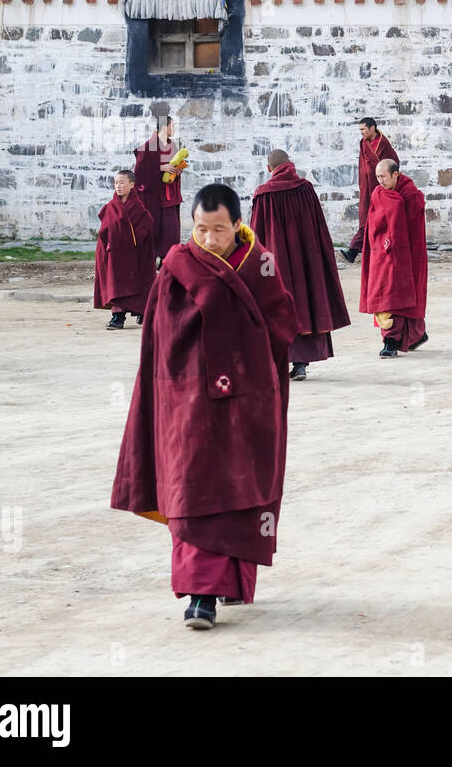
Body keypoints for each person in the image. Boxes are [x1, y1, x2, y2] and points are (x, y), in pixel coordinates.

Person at [112, 184, 300, 630]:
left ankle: (232, 581)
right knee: (196, 491)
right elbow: (159, 339)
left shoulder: (261, 265)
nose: (210, 240)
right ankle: (200, 596)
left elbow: (283, 323)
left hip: (249, 398)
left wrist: (243, 342)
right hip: (190, 399)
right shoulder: (177, 266)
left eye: (219, 230)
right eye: (201, 230)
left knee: (241, 489)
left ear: (238, 225)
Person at [250, 149, 351, 381]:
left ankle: (278, 363)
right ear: (290, 165)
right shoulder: (306, 189)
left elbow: (257, 235)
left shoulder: (263, 194)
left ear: (269, 169)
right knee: (307, 302)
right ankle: (301, 364)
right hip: (307, 259)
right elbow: (319, 227)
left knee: (277, 306)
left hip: (276, 262)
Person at [359, 158, 428, 357]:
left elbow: (413, 228)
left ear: (395, 174)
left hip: (408, 252)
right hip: (382, 252)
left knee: (406, 294)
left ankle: (410, 336)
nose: (380, 180)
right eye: (377, 176)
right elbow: (373, 222)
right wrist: (382, 242)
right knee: (386, 293)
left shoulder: (411, 195)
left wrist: (397, 241)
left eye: (384, 176)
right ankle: (391, 339)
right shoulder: (378, 193)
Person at [94, 169, 156, 330]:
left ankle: (137, 313)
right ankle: (118, 315)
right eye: (116, 183)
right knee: (116, 282)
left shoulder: (139, 208)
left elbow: (146, 226)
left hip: (134, 253)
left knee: (137, 281)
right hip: (114, 252)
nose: (118, 186)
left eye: (122, 182)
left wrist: (131, 241)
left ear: (132, 185)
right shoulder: (110, 207)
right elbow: (105, 229)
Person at [341, 117, 400, 264]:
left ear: (372, 128)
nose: (361, 132)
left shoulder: (383, 143)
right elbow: (364, 165)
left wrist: (388, 182)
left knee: (378, 219)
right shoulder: (363, 143)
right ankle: (356, 251)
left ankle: (355, 251)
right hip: (367, 187)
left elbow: (394, 162)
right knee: (366, 218)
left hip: (381, 187)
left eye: (363, 129)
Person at [131, 101, 184, 263]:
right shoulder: (150, 146)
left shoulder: (171, 145)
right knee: (156, 229)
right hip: (155, 197)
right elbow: (140, 170)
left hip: (170, 196)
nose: (173, 129)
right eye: (172, 126)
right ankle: (150, 258)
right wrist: (162, 167)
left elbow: (172, 164)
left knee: (172, 230)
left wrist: (177, 169)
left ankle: (169, 259)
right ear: (164, 127)